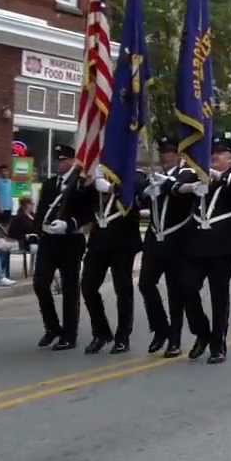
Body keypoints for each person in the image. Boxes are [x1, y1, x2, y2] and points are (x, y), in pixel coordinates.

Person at [178, 136, 231, 364]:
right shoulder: (198, 175)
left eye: (220, 153)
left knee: (219, 297)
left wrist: (222, 178)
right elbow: (177, 183)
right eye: (213, 153)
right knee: (187, 288)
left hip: (222, 247)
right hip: (196, 245)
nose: (215, 156)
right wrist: (190, 185)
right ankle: (202, 333)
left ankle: (218, 344)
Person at [33, 145, 92, 351]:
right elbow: (41, 210)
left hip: (70, 242)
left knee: (70, 289)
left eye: (64, 160)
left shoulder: (80, 184)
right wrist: (36, 232)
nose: (60, 164)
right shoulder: (50, 184)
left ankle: (69, 335)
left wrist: (69, 224)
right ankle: (52, 327)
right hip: (49, 240)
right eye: (58, 160)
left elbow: (88, 213)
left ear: (73, 161)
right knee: (40, 283)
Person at [79, 165, 142, 355]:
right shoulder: (95, 179)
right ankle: (101, 333)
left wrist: (111, 187)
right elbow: (81, 201)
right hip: (98, 241)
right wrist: (90, 182)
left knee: (123, 290)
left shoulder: (131, 175)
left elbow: (137, 187)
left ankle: (123, 337)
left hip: (123, 242)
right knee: (88, 286)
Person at [138, 136, 190, 357]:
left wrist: (165, 184)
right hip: (154, 238)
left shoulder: (187, 173)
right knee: (145, 284)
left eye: (170, 152)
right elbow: (141, 199)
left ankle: (175, 339)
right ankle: (161, 329)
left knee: (175, 291)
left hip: (176, 240)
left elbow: (181, 189)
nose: (165, 156)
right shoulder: (154, 176)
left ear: (179, 154)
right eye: (163, 152)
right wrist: (146, 192)